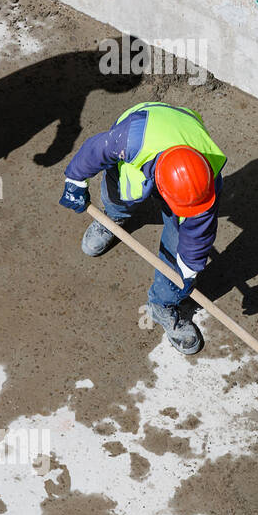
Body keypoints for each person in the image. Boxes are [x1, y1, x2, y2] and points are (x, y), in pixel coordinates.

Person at [58, 101, 225, 354]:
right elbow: (96, 150)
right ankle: (113, 219)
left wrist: (188, 270)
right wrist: (75, 180)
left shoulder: (205, 181)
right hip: (141, 130)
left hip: (181, 142)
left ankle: (162, 305)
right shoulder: (128, 140)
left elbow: (199, 231)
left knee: (180, 241)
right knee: (118, 190)